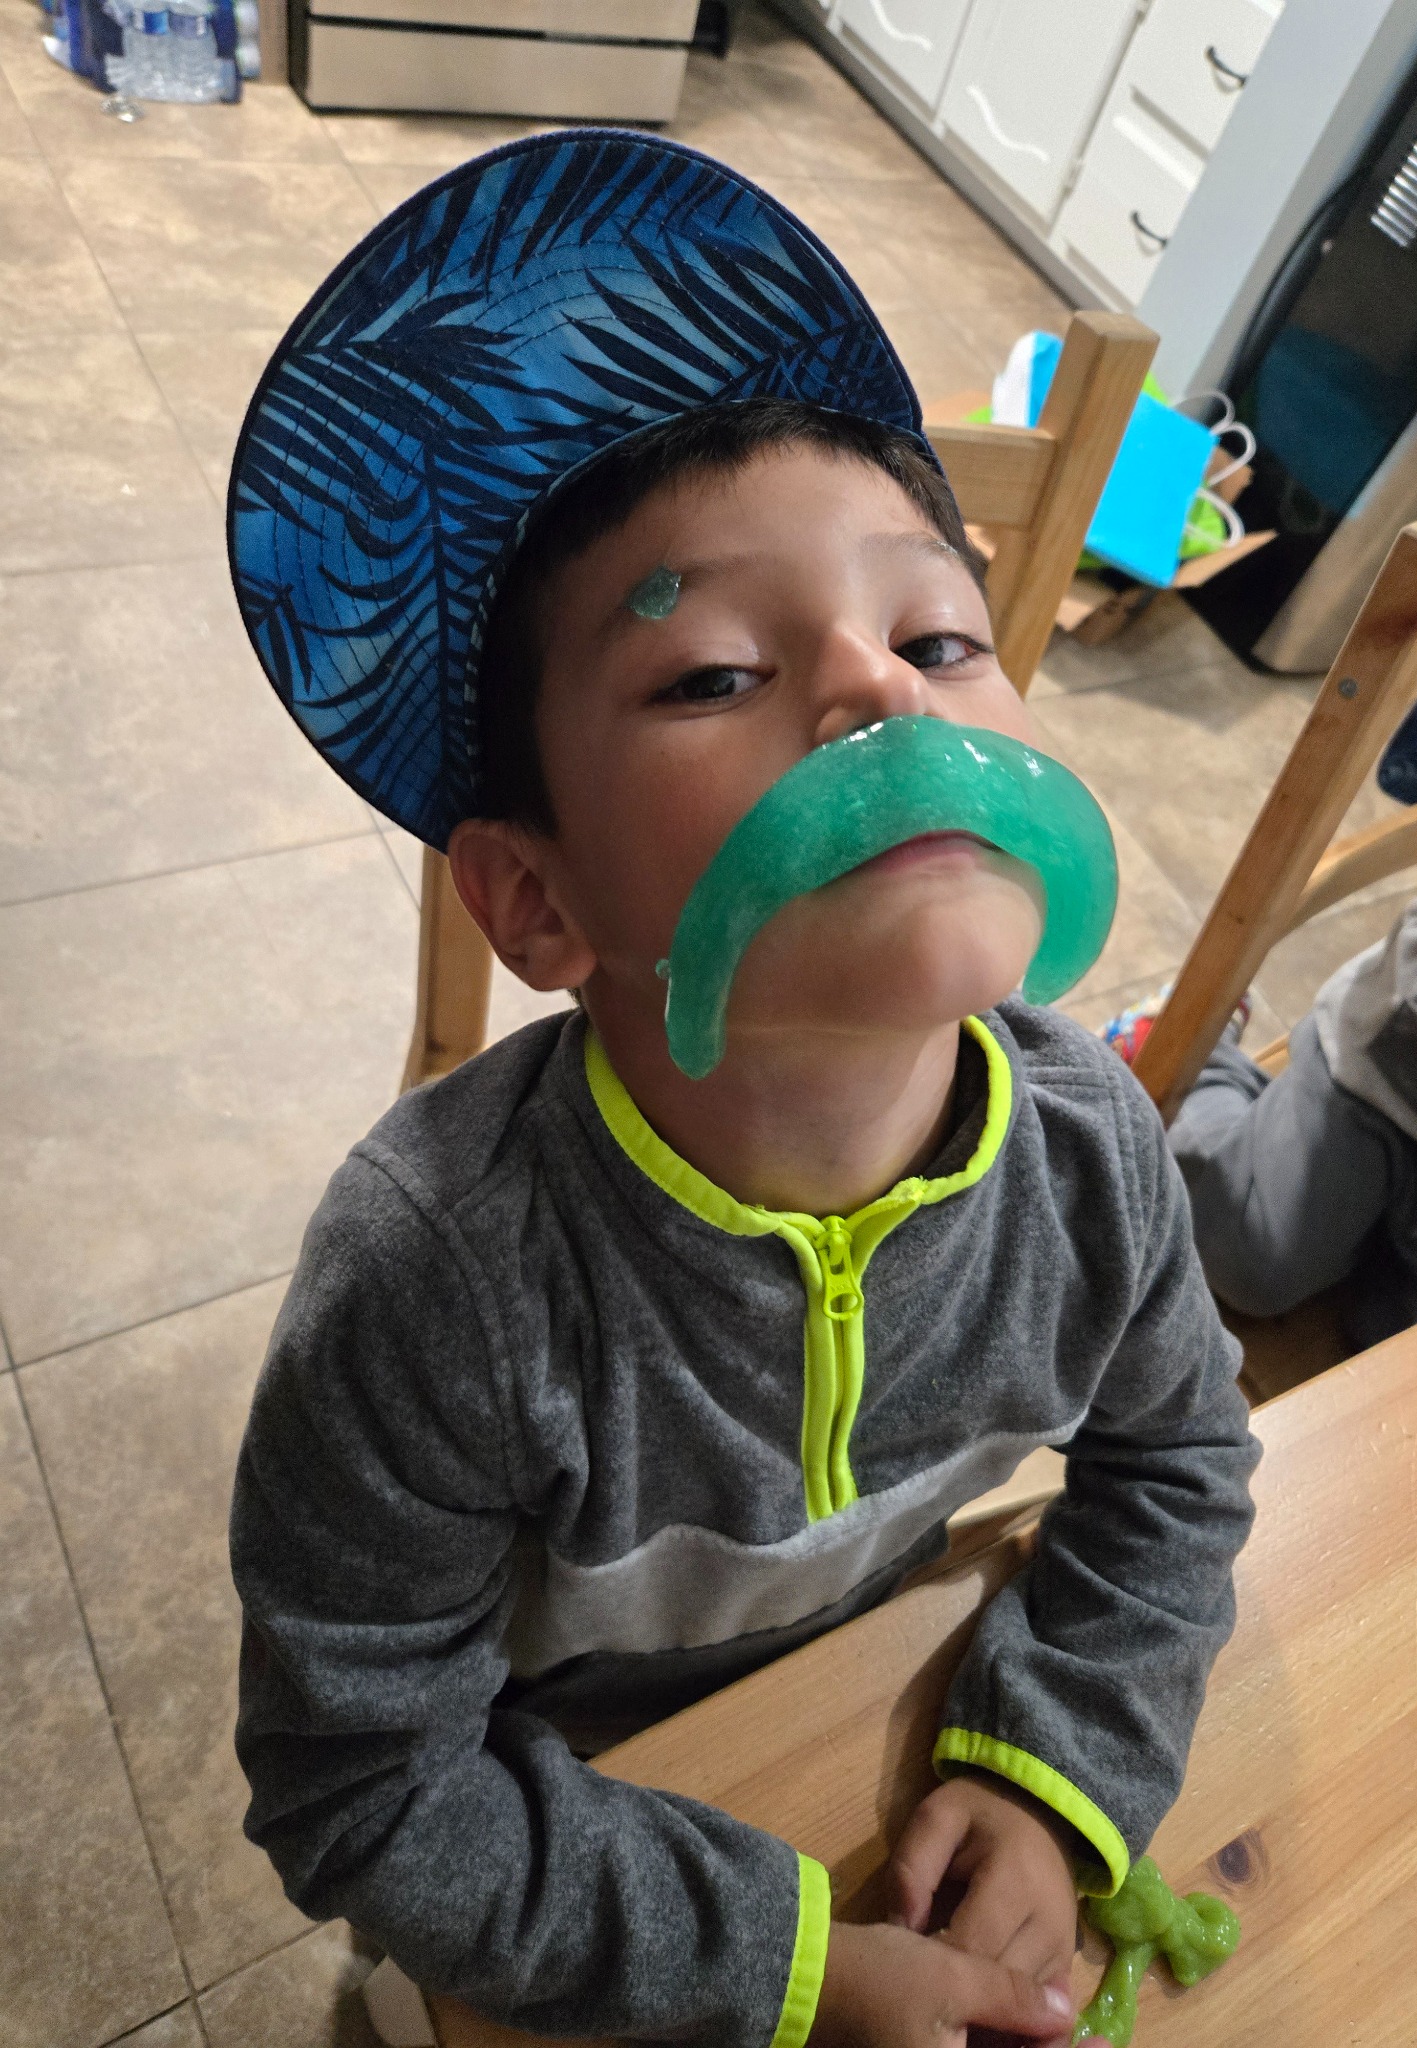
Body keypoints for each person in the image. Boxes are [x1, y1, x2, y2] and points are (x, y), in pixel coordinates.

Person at [227, 131, 1257, 2048]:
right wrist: (778, 1962)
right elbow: (361, 1783)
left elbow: (1182, 1464)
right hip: (561, 1849)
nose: (880, 689)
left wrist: (1061, 1770)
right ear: (539, 900)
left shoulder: (1094, 1153)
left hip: (886, 1721)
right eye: (711, 671)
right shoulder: (437, 1282)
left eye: (939, 633)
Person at [1167, 720, 1417, 1348]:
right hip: (1399, 1067)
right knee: (1250, 1264)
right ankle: (1204, 1059)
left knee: (1415, 1353)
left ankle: (1362, 1217)